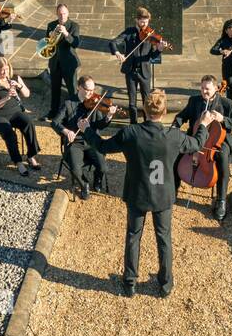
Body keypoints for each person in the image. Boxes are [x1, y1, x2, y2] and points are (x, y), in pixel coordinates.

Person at [80, 89, 210, 297]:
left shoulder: (130, 133)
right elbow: (197, 143)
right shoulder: (174, 136)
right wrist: (203, 125)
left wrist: (87, 130)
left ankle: (130, 282)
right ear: (164, 110)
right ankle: (165, 285)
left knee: (133, 236)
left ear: (144, 111)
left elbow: (102, 146)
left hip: (137, 193)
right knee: (164, 238)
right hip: (163, 195)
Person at [173, 75, 232, 221]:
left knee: (222, 158)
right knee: (176, 152)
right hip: (195, 138)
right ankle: (173, 189)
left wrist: (223, 119)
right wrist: (174, 127)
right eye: (202, 88)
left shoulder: (226, 104)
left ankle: (221, 200)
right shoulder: (194, 101)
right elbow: (181, 116)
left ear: (216, 88)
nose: (204, 91)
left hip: (218, 142)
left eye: (207, 89)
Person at [49, 74, 114, 199]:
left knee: (103, 168)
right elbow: (55, 122)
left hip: (92, 141)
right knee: (75, 170)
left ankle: (97, 179)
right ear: (79, 87)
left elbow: (100, 125)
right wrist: (66, 131)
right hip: (75, 143)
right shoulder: (69, 103)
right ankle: (84, 185)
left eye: (93, 90)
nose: (91, 93)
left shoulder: (95, 103)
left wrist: (109, 116)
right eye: (88, 90)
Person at [0, 55, 41, 176]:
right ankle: (18, 162)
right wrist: (7, 97)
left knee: (29, 122)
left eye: (7, 68)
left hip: (14, 112)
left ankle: (31, 155)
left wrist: (19, 86)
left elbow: (27, 94)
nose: (5, 72)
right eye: (2, 69)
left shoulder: (15, 78)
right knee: (8, 131)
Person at [110, 7, 166, 123]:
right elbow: (113, 42)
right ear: (137, 20)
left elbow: (152, 56)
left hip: (144, 72)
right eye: (142, 21)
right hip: (130, 71)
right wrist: (117, 52)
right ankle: (133, 124)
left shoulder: (150, 34)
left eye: (146, 22)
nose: (144, 24)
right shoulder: (129, 32)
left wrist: (159, 49)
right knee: (132, 102)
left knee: (147, 101)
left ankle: (147, 123)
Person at [43, 3, 81, 121]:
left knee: (72, 90)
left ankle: (74, 115)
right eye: (60, 14)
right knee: (55, 89)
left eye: (64, 13)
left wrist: (66, 33)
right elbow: (47, 45)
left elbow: (75, 43)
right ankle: (53, 113)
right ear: (57, 14)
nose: (62, 16)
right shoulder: (51, 25)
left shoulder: (74, 26)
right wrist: (50, 37)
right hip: (55, 63)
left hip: (69, 63)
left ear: (68, 13)